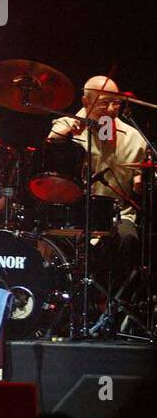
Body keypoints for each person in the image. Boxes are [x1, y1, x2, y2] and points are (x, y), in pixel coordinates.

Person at [47, 75, 147, 278]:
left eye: (116, 103)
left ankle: (116, 300)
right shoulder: (67, 124)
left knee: (128, 239)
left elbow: (141, 176)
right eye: (104, 103)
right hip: (73, 213)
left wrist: (141, 182)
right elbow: (51, 145)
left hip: (116, 216)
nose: (111, 110)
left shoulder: (134, 137)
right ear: (86, 102)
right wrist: (66, 134)